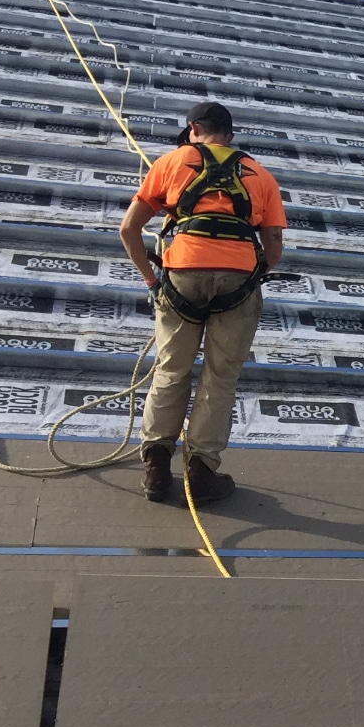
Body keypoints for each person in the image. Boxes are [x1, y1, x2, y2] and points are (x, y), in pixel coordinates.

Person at [118, 101, 285, 505]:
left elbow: (129, 229)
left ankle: (156, 469)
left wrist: (152, 280)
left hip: (182, 274)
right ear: (230, 135)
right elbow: (274, 247)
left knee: (171, 368)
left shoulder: (171, 162)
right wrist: (252, 273)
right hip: (239, 282)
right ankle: (201, 472)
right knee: (220, 376)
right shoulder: (261, 175)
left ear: (194, 128)